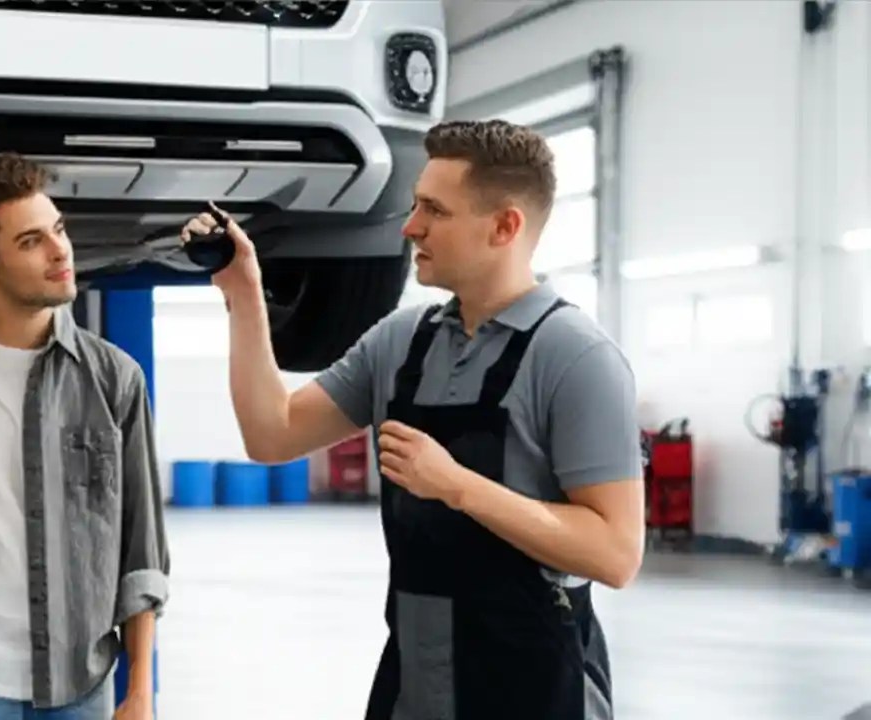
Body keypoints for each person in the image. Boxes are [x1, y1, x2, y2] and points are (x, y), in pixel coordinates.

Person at [184, 119, 645, 720]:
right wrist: (243, 292)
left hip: (532, 686)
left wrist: (457, 487)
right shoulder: (402, 341)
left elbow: (615, 553)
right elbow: (272, 434)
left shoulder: (576, 357)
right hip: (416, 680)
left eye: (434, 210)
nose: (410, 227)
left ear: (505, 226)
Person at [0, 153, 170, 720]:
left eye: (59, 229)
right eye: (31, 241)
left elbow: (142, 546)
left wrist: (140, 692)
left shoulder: (114, 378)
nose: (61, 251)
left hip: (80, 682)